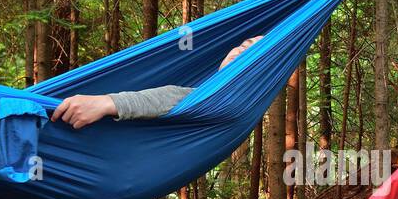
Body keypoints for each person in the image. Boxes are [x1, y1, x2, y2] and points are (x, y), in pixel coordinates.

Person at [51, 36, 264, 129]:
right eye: (243, 44)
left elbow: (171, 98)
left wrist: (107, 103)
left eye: (252, 51)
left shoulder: (228, 102)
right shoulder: (210, 94)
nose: (240, 50)